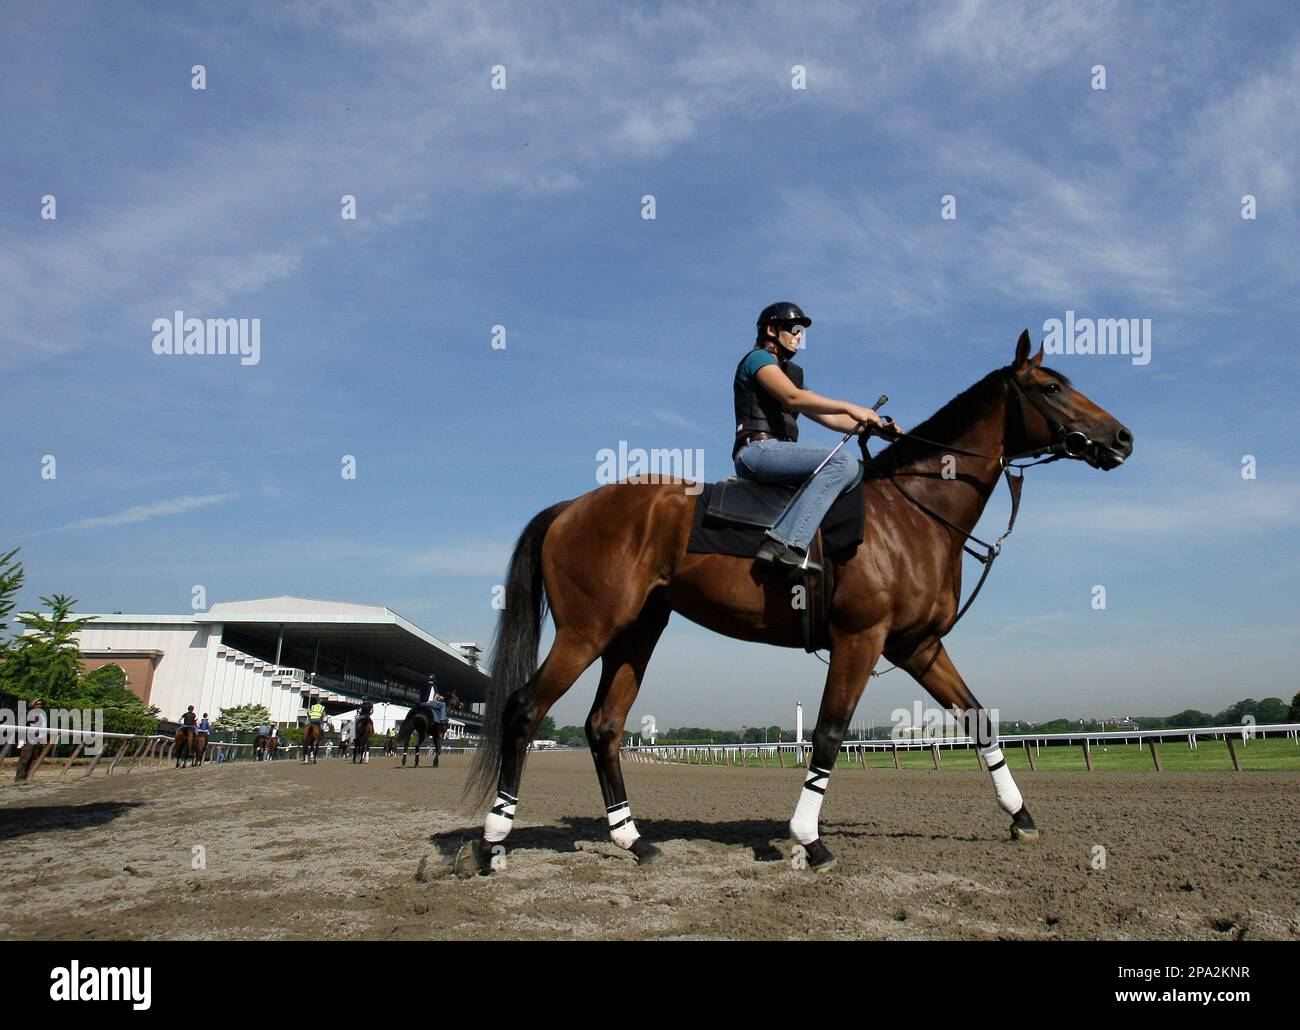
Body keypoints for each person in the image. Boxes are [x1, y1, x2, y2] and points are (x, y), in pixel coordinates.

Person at [732, 301, 899, 573]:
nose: (799, 336)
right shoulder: (758, 359)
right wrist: (850, 406)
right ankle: (783, 543)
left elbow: (829, 417)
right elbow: (793, 397)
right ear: (771, 330)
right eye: (793, 329)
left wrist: (876, 429)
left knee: (849, 467)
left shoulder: (793, 374)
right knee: (842, 463)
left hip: (780, 454)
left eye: (801, 332)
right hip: (757, 452)